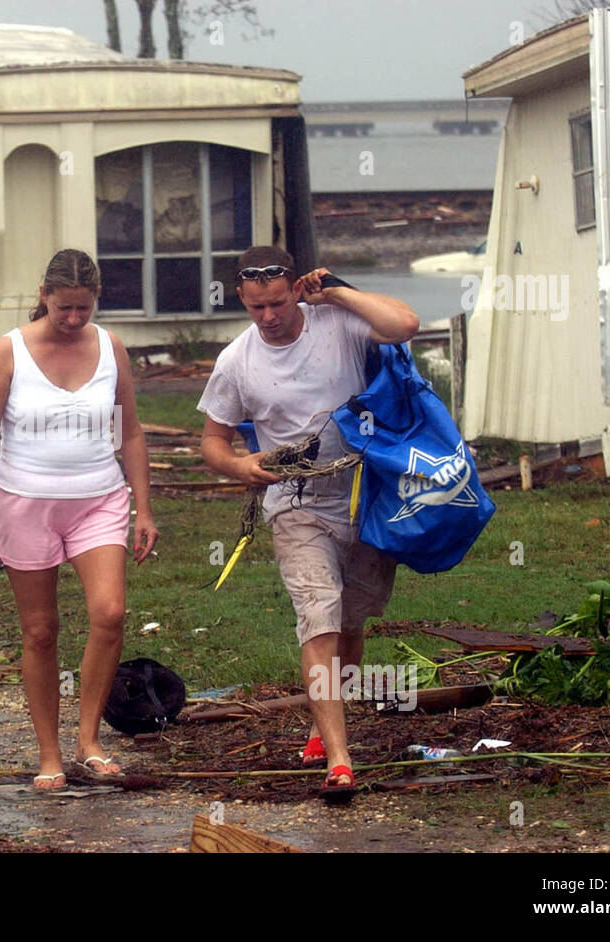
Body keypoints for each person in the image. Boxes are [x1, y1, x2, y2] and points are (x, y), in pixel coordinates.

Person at [197, 245, 419, 800]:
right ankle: (340, 761)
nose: (268, 317)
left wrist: (339, 290)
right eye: (255, 308)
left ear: (297, 288)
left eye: (276, 303)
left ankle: (326, 725)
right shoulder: (236, 361)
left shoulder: (338, 323)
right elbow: (212, 441)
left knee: (349, 624)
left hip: (366, 496)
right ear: (242, 302)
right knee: (317, 617)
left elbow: (405, 323)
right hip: (294, 502)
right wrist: (238, 465)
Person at [0, 248, 158, 790]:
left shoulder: (110, 346)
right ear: (44, 296)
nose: (74, 319)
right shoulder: (10, 353)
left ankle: (89, 740)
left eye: (84, 308)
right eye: (64, 308)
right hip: (23, 502)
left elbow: (132, 432)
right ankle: (49, 753)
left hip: (98, 496)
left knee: (111, 613)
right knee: (40, 630)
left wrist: (144, 508)